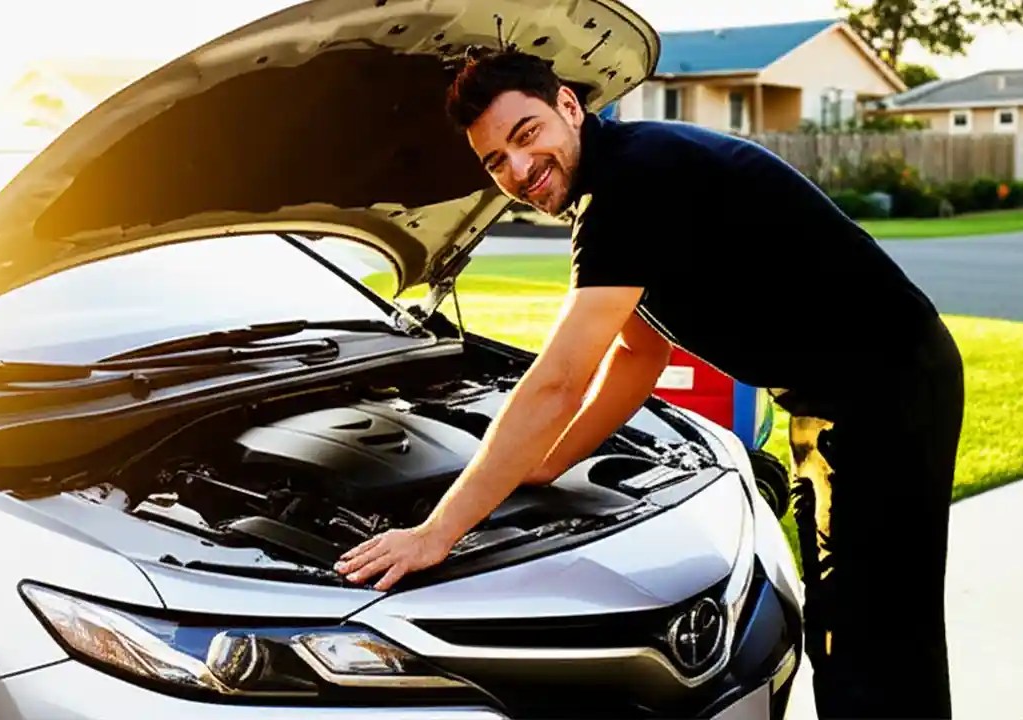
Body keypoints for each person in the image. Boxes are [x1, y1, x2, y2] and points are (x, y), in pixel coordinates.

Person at [334, 48, 963, 719]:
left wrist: (437, 533)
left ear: (568, 107)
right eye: (495, 162)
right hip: (860, 389)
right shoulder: (626, 175)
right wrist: (549, 461)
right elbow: (638, 354)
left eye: (526, 135)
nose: (518, 170)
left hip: (879, 395)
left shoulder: (629, 185)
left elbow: (558, 382)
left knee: (864, 636)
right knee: (879, 623)